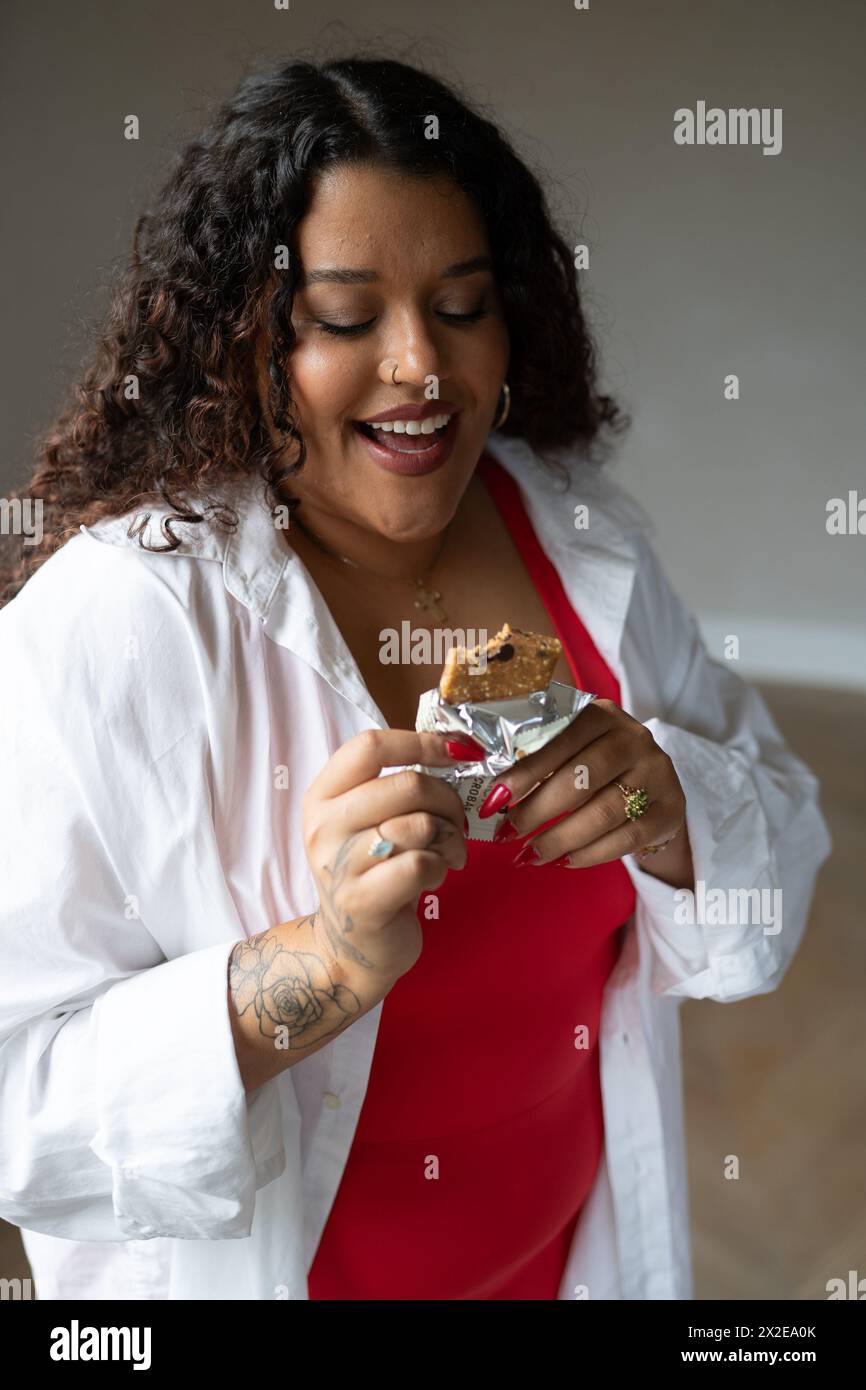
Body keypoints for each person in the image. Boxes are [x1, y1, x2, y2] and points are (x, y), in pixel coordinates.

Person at [0, 53, 831, 1300]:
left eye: (460, 304)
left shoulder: (579, 536)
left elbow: (785, 850)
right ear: (247, 339)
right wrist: (321, 961)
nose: (420, 367)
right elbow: (23, 1101)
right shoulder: (116, 622)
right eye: (344, 318)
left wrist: (668, 804)